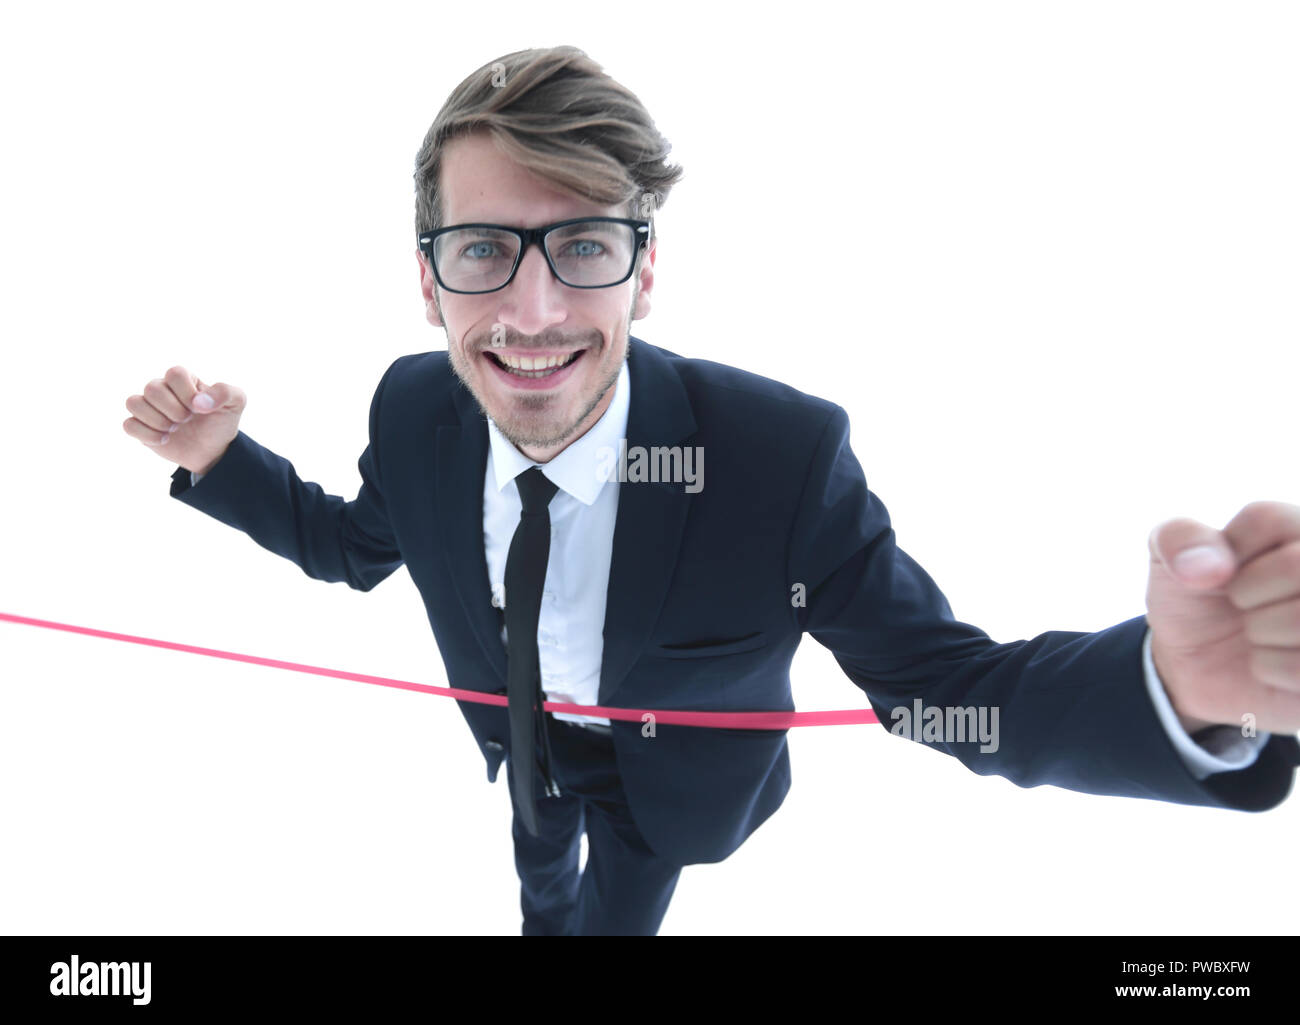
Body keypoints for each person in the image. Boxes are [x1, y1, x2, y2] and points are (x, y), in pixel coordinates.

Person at [122, 45, 1300, 936]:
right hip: (517, 742)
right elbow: (352, 547)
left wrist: (1179, 696)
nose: (532, 313)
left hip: (671, 790)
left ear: (646, 271)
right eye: (482, 249)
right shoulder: (413, 407)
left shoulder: (775, 461)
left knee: (616, 910)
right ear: (428, 284)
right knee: (538, 871)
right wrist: (219, 462)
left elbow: (946, 690)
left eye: (582, 245)